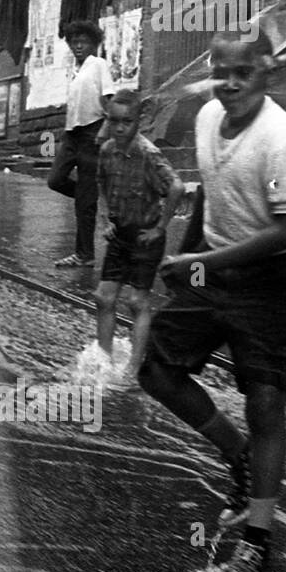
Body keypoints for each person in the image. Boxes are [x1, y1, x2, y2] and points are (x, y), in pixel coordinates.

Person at [139, 32, 286, 572]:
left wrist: (200, 260)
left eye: (244, 73)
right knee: (155, 367)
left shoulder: (284, 140)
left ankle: (256, 545)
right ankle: (236, 455)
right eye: (222, 72)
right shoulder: (208, 118)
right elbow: (211, 196)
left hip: (270, 281)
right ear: (211, 73)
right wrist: (186, 265)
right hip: (210, 269)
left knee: (265, 400)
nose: (232, 84)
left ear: (266, 72)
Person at [94, 90, 184, 379]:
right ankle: (104, 359)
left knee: (137, 301)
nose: (120, 128)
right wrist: (106, 218)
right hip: (120, 234)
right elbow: (101, 182)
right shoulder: (107, 150)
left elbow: (176, 187)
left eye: (127, 122)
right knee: (104, 298)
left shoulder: (147, 153)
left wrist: (160, 228)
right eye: (114, 121)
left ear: (139, 122)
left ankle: (134, 367)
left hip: (146, 235)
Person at [48, 20, 115, 267]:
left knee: (85, 200)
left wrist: (105, 130)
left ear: (93, 44)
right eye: (74, 42)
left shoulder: (98, 65)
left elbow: (108, 99)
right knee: (55, 180)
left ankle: (84, 254)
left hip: (92, 133)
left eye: (83, 41)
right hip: (71, 135)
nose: (78, 46)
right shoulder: (74, 69)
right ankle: (88, 199)